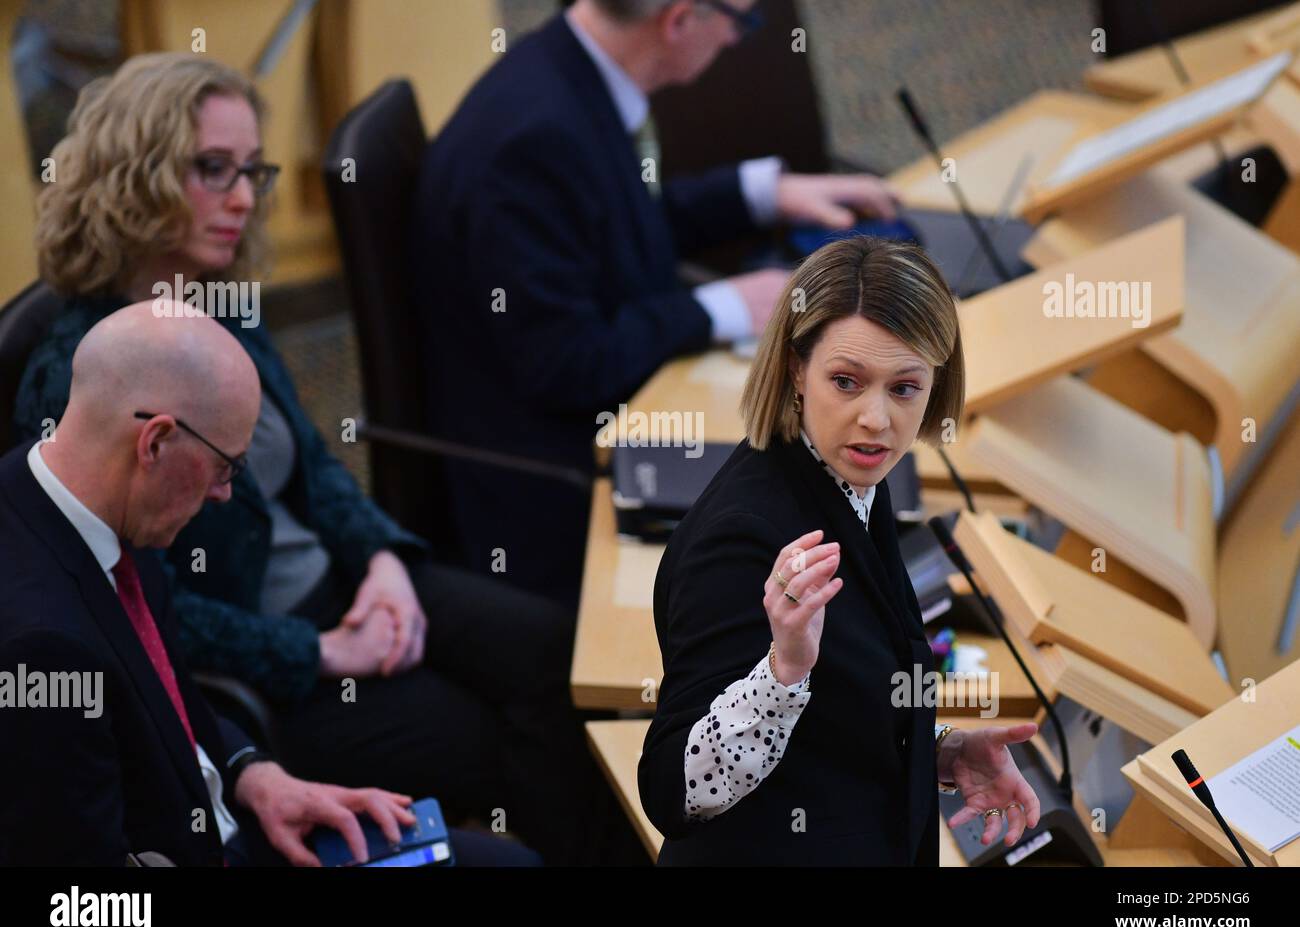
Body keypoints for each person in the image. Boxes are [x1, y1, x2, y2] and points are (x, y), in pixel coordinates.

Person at [14, 52, 626, 866]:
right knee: (481, 733)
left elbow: (314, 461)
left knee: (551, 648)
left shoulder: (218, 293)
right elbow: (141, 609)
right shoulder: (79, 378)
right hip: (268, 655)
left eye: (252, 172)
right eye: (211, 169)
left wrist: (380, 560)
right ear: (138, 174)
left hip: (337, 584)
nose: (242, 198)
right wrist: (319, 654)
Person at [0, 302, 537, 866]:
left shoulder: (91, 499)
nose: (225, 494)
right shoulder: (43, 650)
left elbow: (171, 696)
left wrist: (254, 774)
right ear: (154, 443)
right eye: (226, 466)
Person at [411, 0, 903, 606]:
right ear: (678, 21)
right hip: (554, 483)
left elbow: (620, 225)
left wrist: (765, 193)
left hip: (599, 403)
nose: (733, 40)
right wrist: (726, 306)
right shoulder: (528, 146)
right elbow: (565, 362)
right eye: (739, 22)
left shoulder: (566, 69)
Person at [638, 237, 1042, 865]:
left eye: (904, 388)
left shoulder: (851, 477)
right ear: (797, 369)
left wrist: (942, 751)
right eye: (847, 381)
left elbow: (833, 719)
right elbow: (673, 791)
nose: (876, 418)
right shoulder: (743, 538)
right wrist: (783, 671)